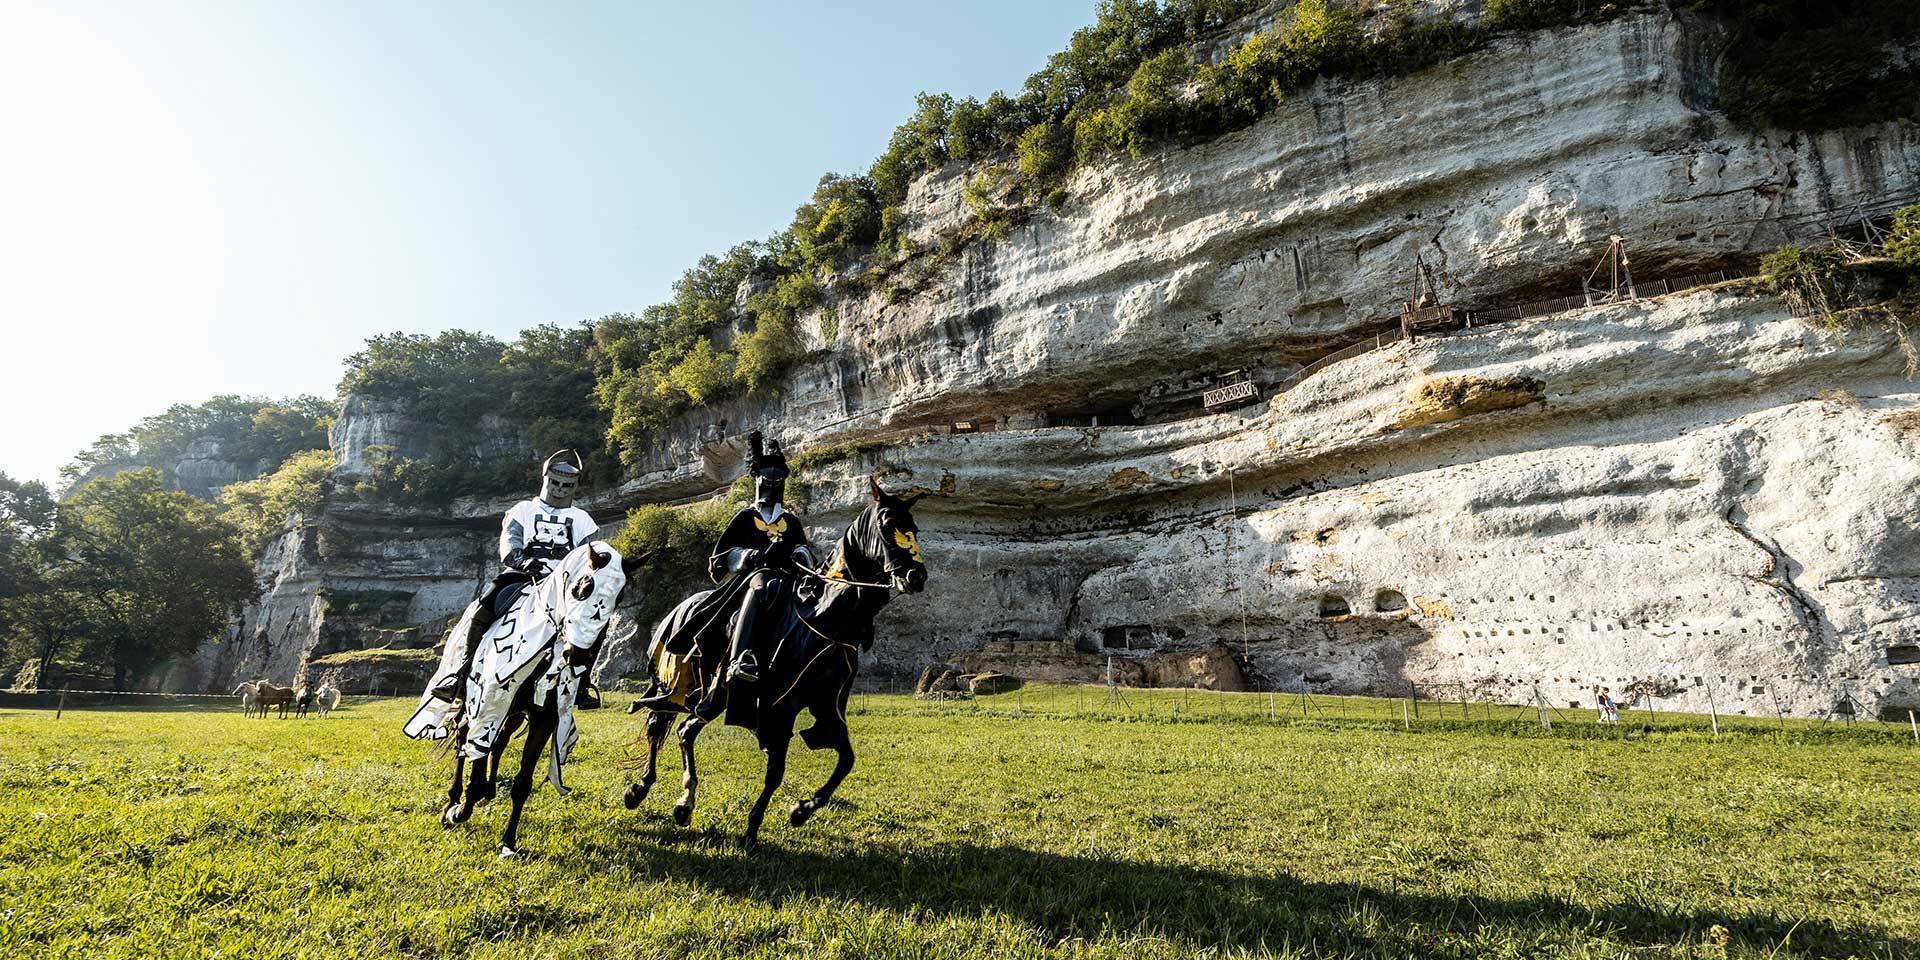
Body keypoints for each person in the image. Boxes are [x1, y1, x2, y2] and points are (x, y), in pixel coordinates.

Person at [636, 431, 812, 717]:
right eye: (767, 477)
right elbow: (719, 557)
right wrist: (746, 556)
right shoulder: (744, 517)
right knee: (759, 585)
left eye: (777, 478)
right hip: (749, 581)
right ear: (757, 481)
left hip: (787, 581)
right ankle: (741, 659)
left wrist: (795, 555)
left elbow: (805, 552)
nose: (772, 483)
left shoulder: (790, 520)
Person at [428, 449, 598, 702]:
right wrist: (524, 561)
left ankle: (582, 683)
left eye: (567, 485)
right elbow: (509, 543)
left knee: (594, 621)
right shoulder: (523, 510)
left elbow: (589, 557)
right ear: (545, 479)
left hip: (563, 585)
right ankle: (460, 677)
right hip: (521, 575)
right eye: (555, 482)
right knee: (484, 607)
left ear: (575, 486)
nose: (560, 489)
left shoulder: (583, 520)